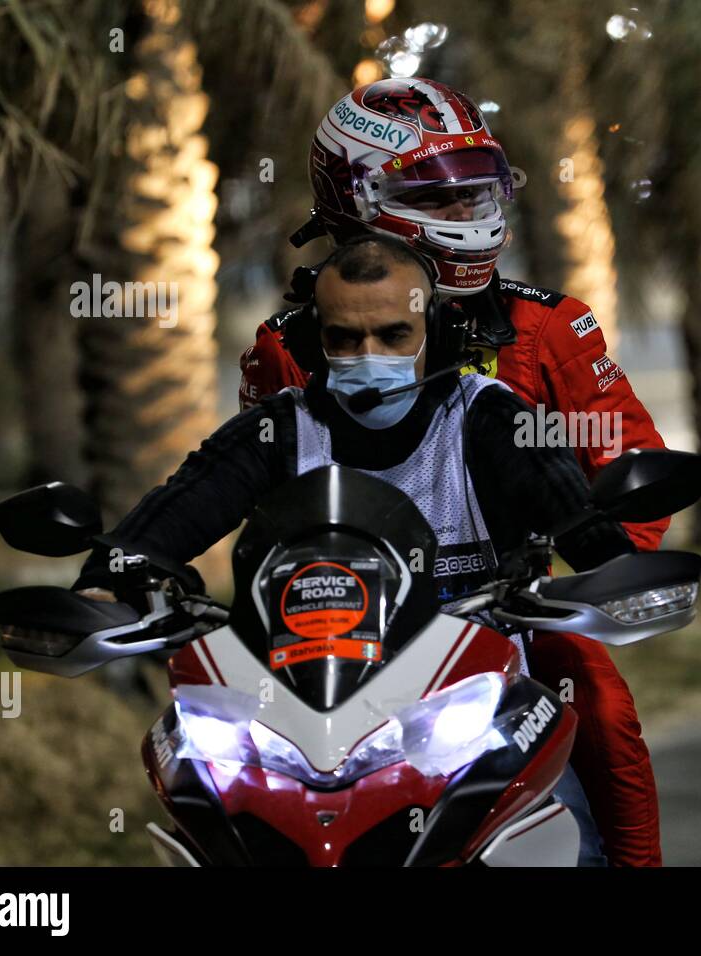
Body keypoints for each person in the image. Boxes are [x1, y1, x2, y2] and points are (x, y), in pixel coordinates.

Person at [76, 236, 639, 863]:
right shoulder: (281, 426)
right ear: (317, 341)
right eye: (344, 339)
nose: (367, 356)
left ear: (439, 331)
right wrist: (107, 581)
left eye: (394, 335)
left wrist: (614, 571)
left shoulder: (488, 417)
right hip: (298, 724)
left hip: (467, 722)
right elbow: (181, 504)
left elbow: (574, 512)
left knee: (574, 849)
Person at [238, 78, 668, 865]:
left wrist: (598, 564)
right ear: (360, 202)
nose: (472, 218)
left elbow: (629, 463)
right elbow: (261, 502)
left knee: (602, 711)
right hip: (345, 633)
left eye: (479, 194)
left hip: (511, 623)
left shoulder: (549, 325)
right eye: (444, 199)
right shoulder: (285, 344)